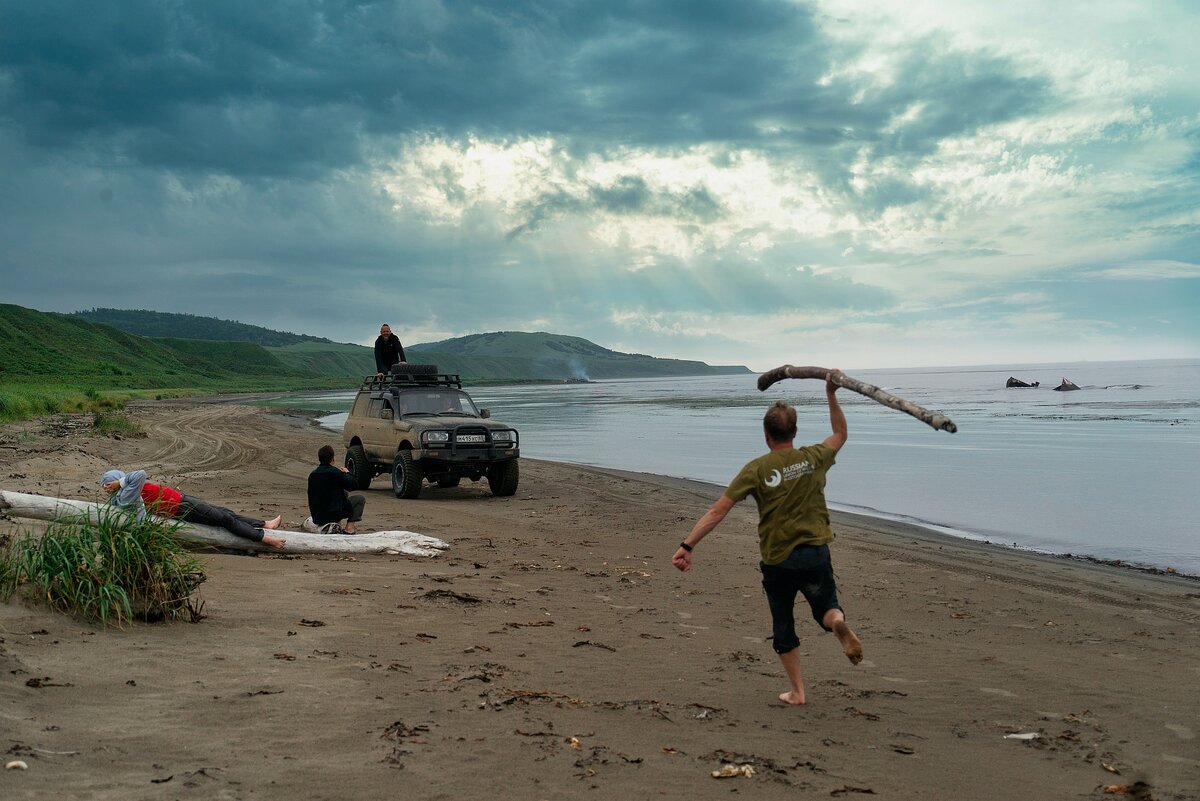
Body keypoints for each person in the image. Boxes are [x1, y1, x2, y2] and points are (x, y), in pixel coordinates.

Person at [672, 372, 863, 705]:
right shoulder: (813, 457)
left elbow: (718, 512)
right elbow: (841, 433)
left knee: (784, 623)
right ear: (795, 432)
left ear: (766, 435)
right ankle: (837, 623)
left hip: (778, 560)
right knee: (827, 606)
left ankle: (798, 692)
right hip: (814, 552)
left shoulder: (756, 469)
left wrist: (687, 546)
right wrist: (831, 393)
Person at [101, 469, 286, 549]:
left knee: (225, 513)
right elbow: (140, 474)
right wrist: (120, 483)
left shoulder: (126, 491)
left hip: (181, 501)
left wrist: (120, 484)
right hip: (179, 508)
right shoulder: (126, 492)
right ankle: (265, 538)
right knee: (225, 519)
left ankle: (265, 524)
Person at [306, 445, 365, 534]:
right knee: (360, 499)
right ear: (333, 459)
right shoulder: (335, 473)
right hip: (332, 514)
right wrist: (347, 473)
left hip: (317, 516)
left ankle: (336, 524)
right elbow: (353, 485)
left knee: (343, 493)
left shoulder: (313, 475)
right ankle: (349, 528)